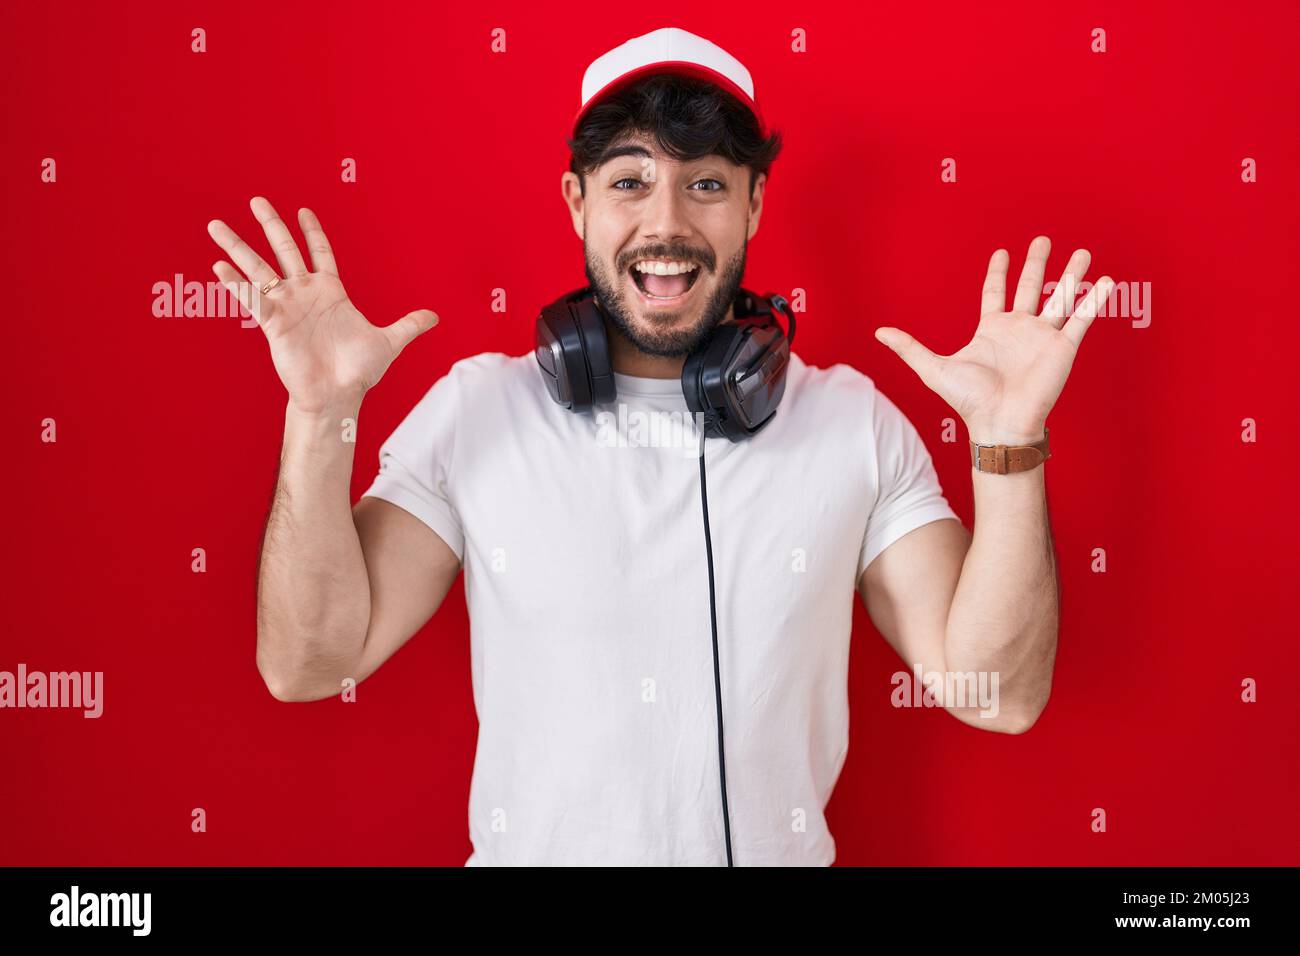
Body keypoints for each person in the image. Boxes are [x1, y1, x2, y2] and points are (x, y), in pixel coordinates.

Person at [204, 27, 1114, 866]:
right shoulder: (477, 410)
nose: (667, 221)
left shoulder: (852, 424)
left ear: (755, 204)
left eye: (707, 183)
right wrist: (321, 418)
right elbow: (307, 665)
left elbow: (1002, 693)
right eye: (630, 180)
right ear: (578, 202)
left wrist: (1008, 441)